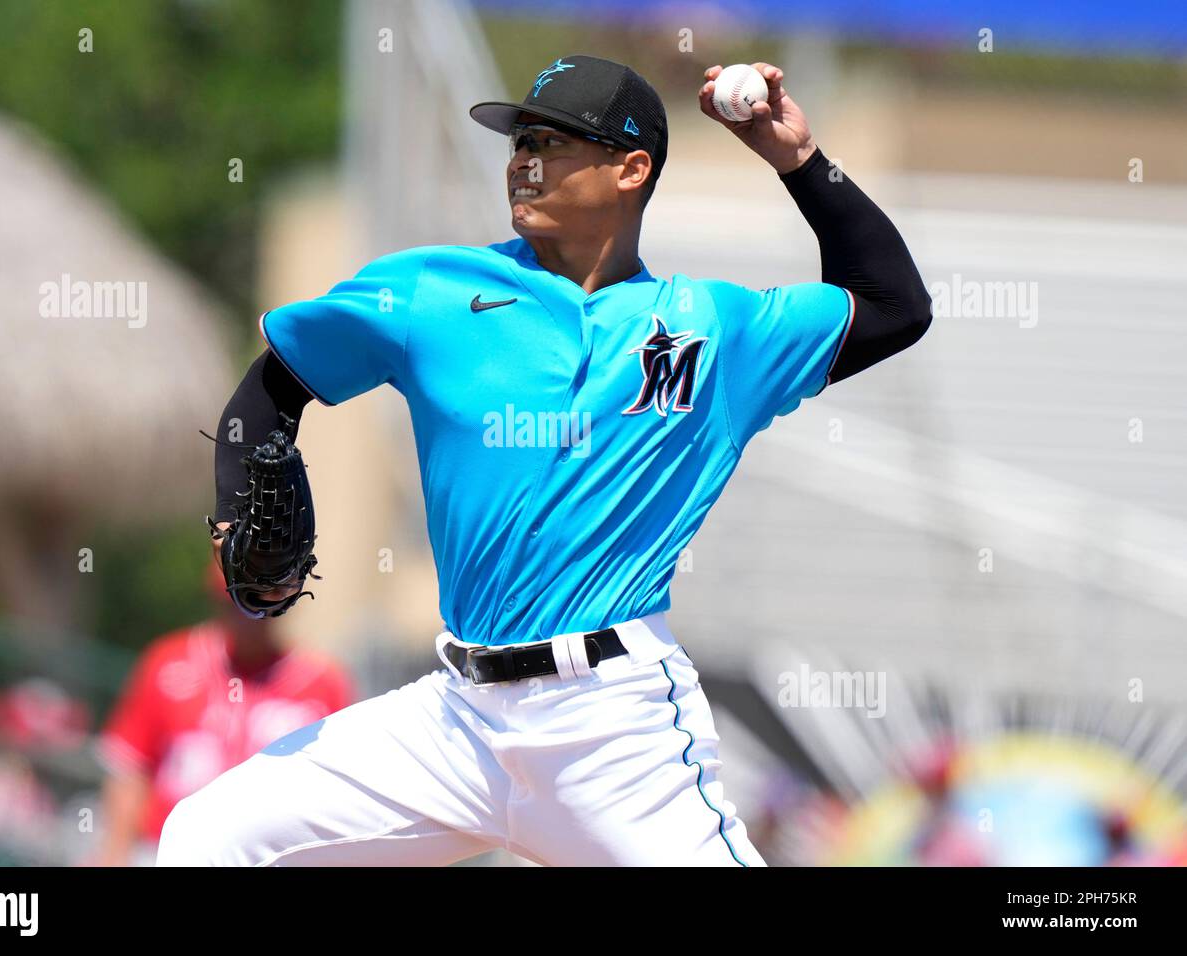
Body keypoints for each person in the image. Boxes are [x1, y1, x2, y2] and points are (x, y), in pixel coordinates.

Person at [158, 54, 931, 866]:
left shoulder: (714, 328)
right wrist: (235, 508)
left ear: (632, 168)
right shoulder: (433, 292)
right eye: (519, 139)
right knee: (208, 837)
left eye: (556, 141)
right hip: (454, 722)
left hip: (613, 730)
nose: (523, 159)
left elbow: (893, 304)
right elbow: (270, 389)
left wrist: (796, 160)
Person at [94, 561, 354, 865]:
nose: (248, 615)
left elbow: (338, 797)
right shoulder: (168, 661)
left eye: (261, 600)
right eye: (237, 599)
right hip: (167, 854)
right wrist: (114, 855)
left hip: (273, 858)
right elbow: (130, 770)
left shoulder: (323, 683)